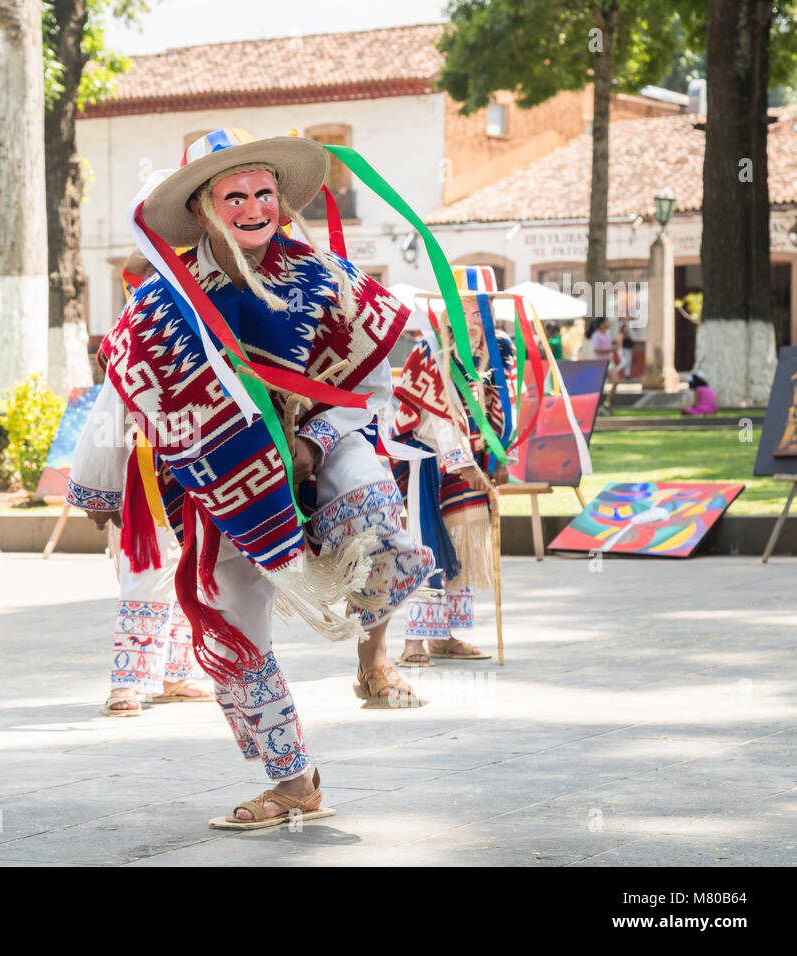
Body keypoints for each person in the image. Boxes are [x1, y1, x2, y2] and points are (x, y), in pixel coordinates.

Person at [73, 130, 431, 828]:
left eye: (264, 191)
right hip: (220, 482)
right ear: (204, 210)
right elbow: (124, 393)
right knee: (235, 627)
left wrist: (314, 438)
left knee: (380, 520)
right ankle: (292, 780)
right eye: (234, 195)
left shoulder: (328, 278)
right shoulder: (159, 303)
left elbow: (374, 389)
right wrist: (101, 486)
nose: (253, 205)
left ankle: (375, 661)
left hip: (325, 449)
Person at [71, 252, 214, 717]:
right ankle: (126, 682)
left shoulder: (214, 323)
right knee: (145, 571)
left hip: (203, 467)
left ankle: (174, 673)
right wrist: (98, 485)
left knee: (188, 571)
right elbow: (112, 410)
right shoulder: (136, 333)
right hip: (147, 472)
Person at [389, 267, 513, 668]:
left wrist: (496, 459)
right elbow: (435, 420)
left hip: (471, 462)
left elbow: (498, 408)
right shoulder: (429, 353)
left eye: (485, 310)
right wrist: (461, 464)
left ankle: (445, 635)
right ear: (451, 313)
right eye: (472, 311)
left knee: (462, 543)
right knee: (428, 548)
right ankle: (413, 641)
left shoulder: (491, 355)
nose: (480, 319)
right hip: (428, 463)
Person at [591, 317, 616, 413]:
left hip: (609, 362)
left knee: (616, 380)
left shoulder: (608, 334)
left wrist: (611, 352)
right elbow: (596, 349)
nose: (608, 323)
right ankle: (598, 407)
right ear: (601, 324)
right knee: (600, 386)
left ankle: (607, 403)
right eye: (606, 321)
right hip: (600, 363)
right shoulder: (596, 335)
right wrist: (610, 350)